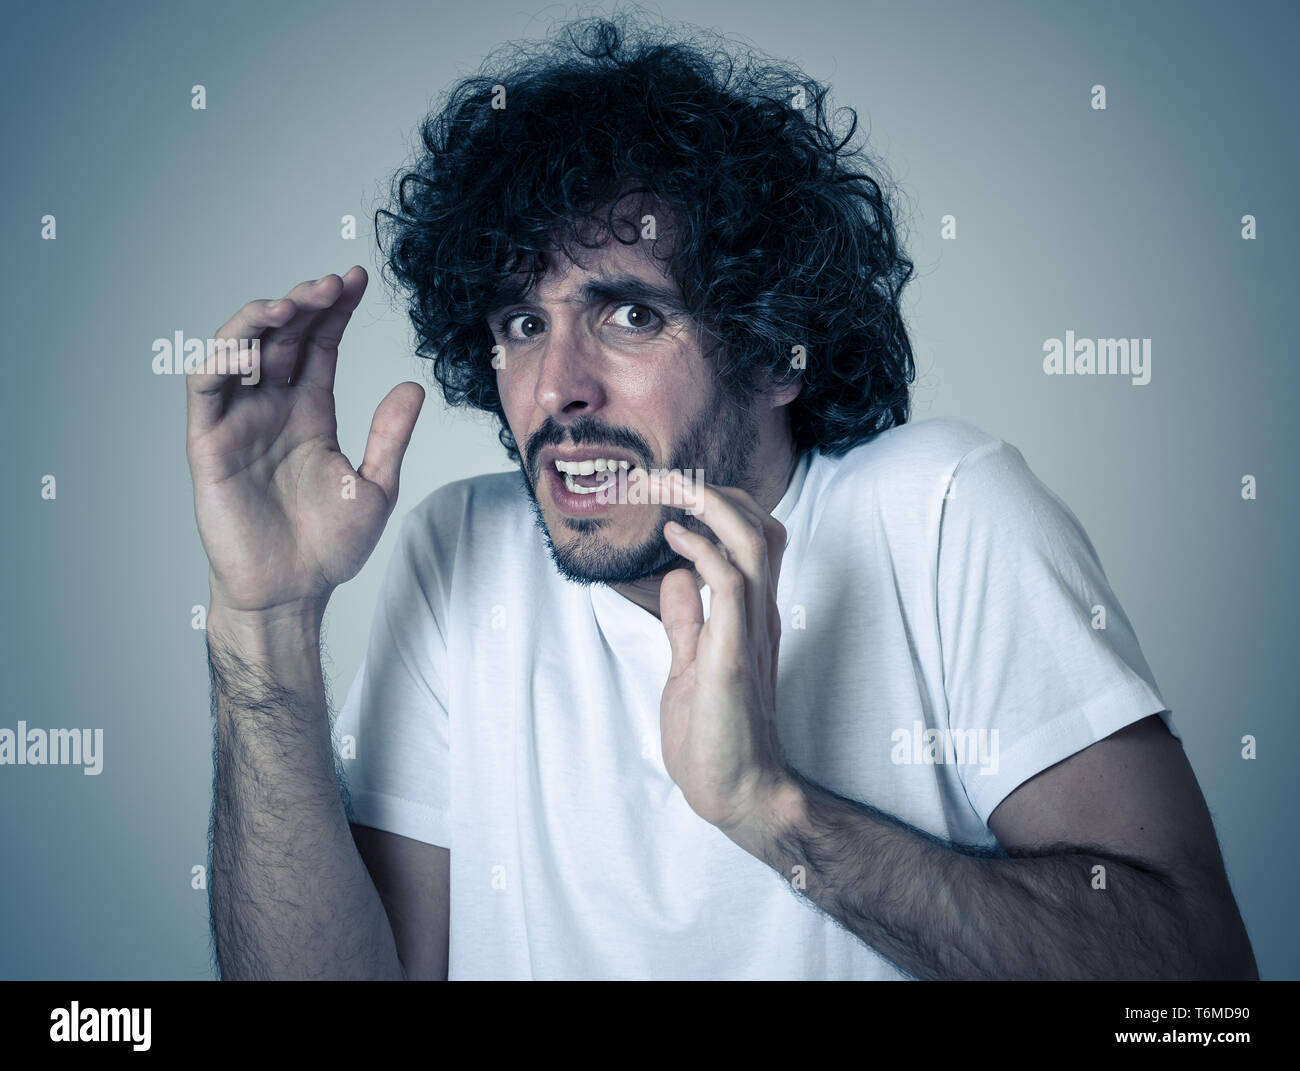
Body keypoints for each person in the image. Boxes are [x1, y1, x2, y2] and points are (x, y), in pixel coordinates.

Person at [187, 16, 1256, 980]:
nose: (556, 384)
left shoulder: (941, 514)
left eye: (628, 317)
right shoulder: (459, 552)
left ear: (771, 350)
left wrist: (774, 814)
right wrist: (265, 624)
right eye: (521, 322)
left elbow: (1200, 987)